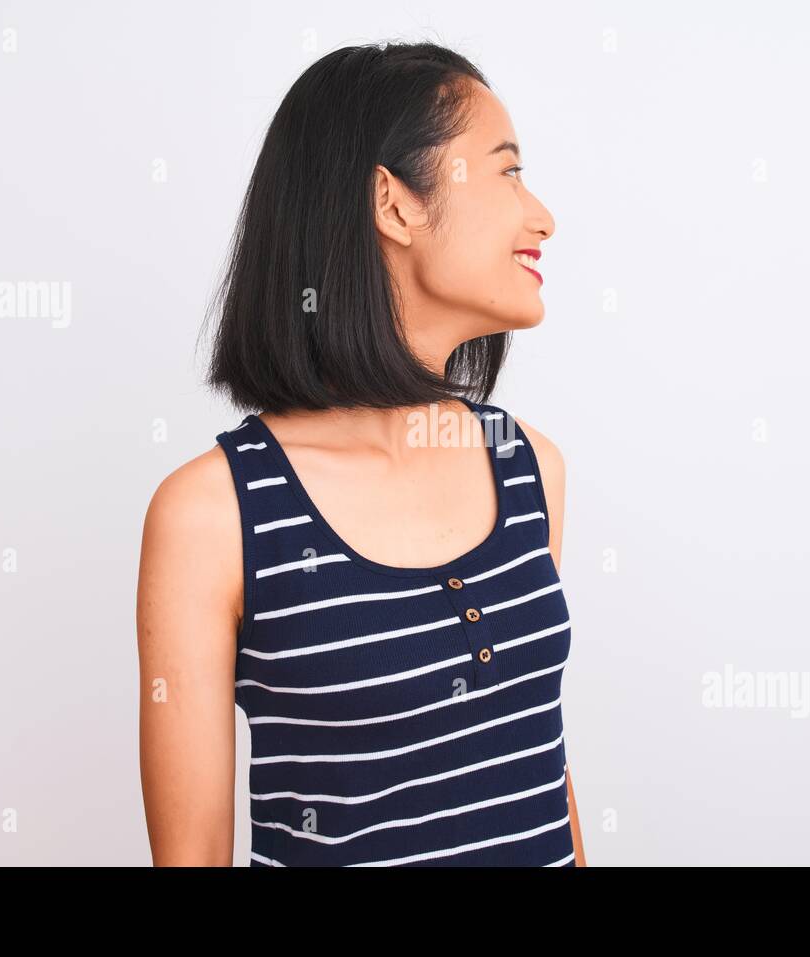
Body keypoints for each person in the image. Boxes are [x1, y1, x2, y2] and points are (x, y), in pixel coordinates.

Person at [137, 40, 583, 866]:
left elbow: (546, 780)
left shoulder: (531, 469)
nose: (542, 216)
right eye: (506, 172)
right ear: (394, 203)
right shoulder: (213, 514)